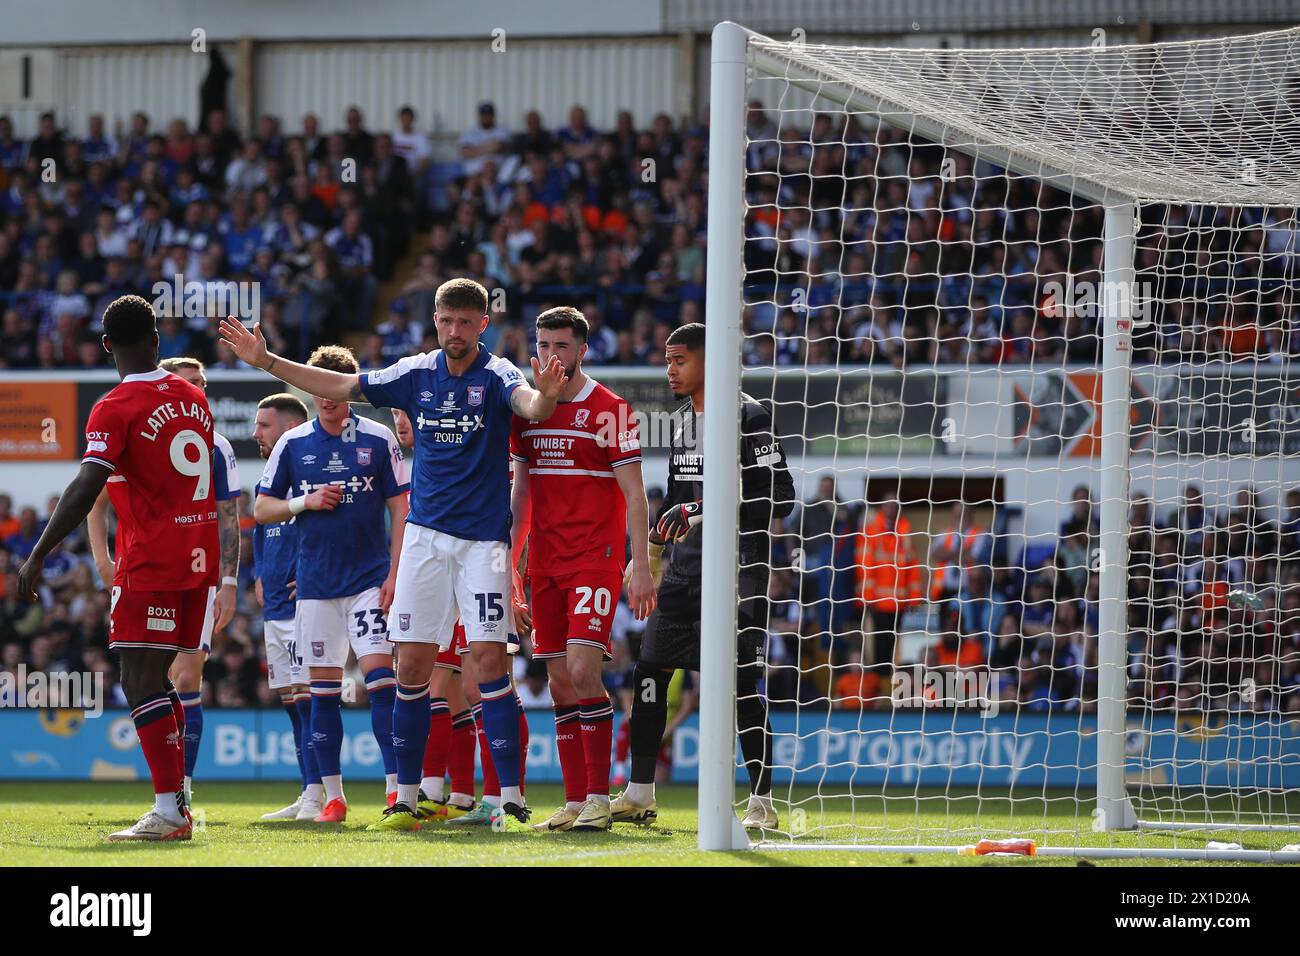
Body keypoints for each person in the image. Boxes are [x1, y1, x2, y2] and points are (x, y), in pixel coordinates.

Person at [219, 276, 565, 831]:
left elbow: (532, 404)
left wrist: (545, 392)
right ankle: (405, 796)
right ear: (436, 321)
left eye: (465, 322)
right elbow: (342, 383)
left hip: (483, 543)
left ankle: (511, 800)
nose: (454, 331)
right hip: (425, 541)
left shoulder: (498, 373)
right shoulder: (415, 373)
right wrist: (268, 362)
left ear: (483, 325)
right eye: (445, 321)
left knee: (489, 663)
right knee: (412, 666)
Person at [17, 294, 219, 841]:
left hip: (152, 559)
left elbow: (87, 485)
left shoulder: (113, 406)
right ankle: (178, 804)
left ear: (107, 345)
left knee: (138, 679)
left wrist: (38, 552)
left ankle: (171, 811)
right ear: (158, 338)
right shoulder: (193, 396)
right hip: (198, 557)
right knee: (162, 681)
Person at [610, 322, 795, 831]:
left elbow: (782, 498)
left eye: (680, 360)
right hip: (685, 573)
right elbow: (674, 501)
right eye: (667, 360)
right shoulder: (682, 422)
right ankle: (640, 792)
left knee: (740, 685)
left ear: (709, 361)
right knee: (649, 672)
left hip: (739, 574)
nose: (670, 369)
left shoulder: (751, 416)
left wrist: (704, 509)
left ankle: (761, 803)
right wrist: (646, 553)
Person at [508, 306, 656, 832]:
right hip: (544, 562)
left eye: (562, 346)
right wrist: (511, 563)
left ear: (582, 351)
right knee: (557, 682)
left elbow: (635, 494)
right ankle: (575, 803)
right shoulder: (527, 411)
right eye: (544, 345)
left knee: (580, 670)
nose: (552, 356)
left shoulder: (611, 409)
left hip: (596, 558)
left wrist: (640, 564)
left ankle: (599, 795)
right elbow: (522, 492)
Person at [254, 345, 410, 823]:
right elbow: (261, 510)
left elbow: (401, 509)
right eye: (317, 387)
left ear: (348, 389)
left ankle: (394, 791)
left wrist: (394, 574)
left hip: (367, 582)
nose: (326, 397)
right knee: (322, 693)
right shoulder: (293, 443)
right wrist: (305, 501)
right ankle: (333, 798)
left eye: (334, 388)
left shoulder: (380, 438)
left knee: (382, 684)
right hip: (316, 587)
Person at [249, 392, 320, 821]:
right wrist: (259, 573)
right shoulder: (270, 476)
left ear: (290, 428)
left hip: (303, 607)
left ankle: (321, 792)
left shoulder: (310, 473)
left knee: (311, 701)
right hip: (274, 607)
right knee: (293, 703)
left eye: (264, 425)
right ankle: (307, 789)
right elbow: (261, 525)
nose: (256, 433)